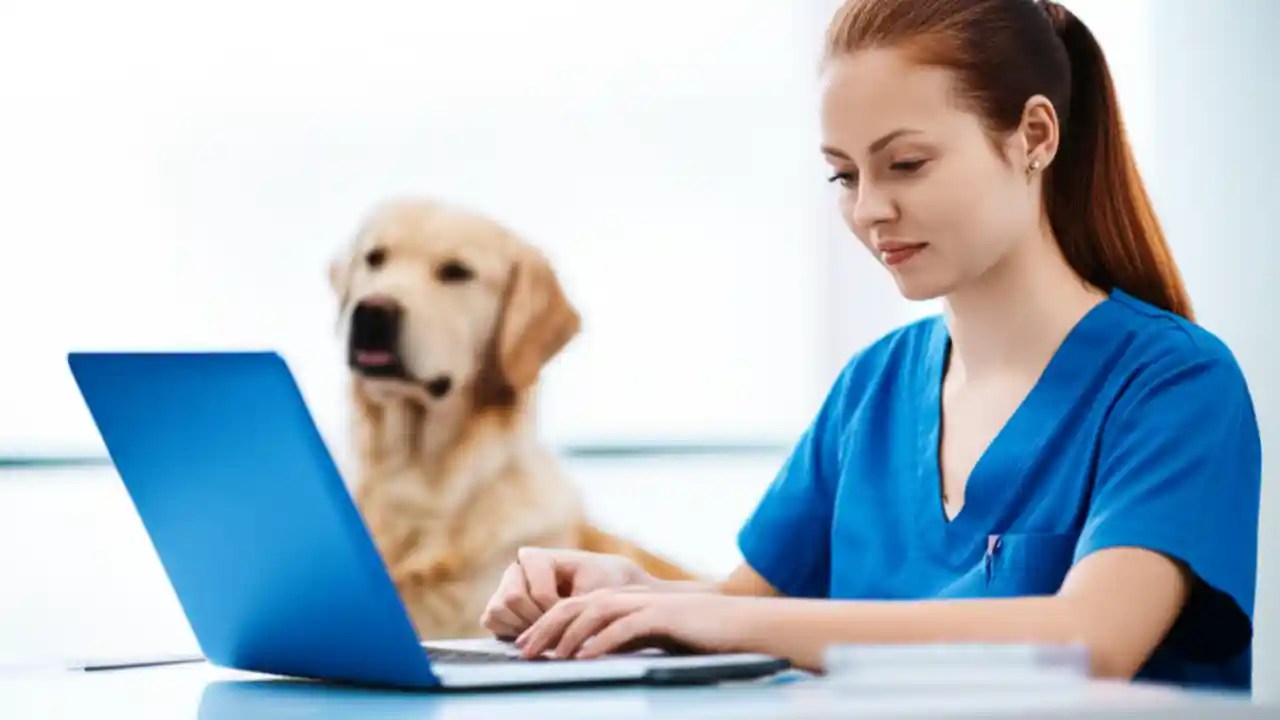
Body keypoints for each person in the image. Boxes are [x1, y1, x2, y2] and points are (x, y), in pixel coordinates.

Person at [479, 0, 1262, 691]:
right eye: (843, 176)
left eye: (906, 164)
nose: (870, 211)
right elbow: (753, 609)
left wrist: (719, 620)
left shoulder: (1175, 386)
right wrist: (631, 594)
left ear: (1033, 135)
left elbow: (1089, 642)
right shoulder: (875, 389)